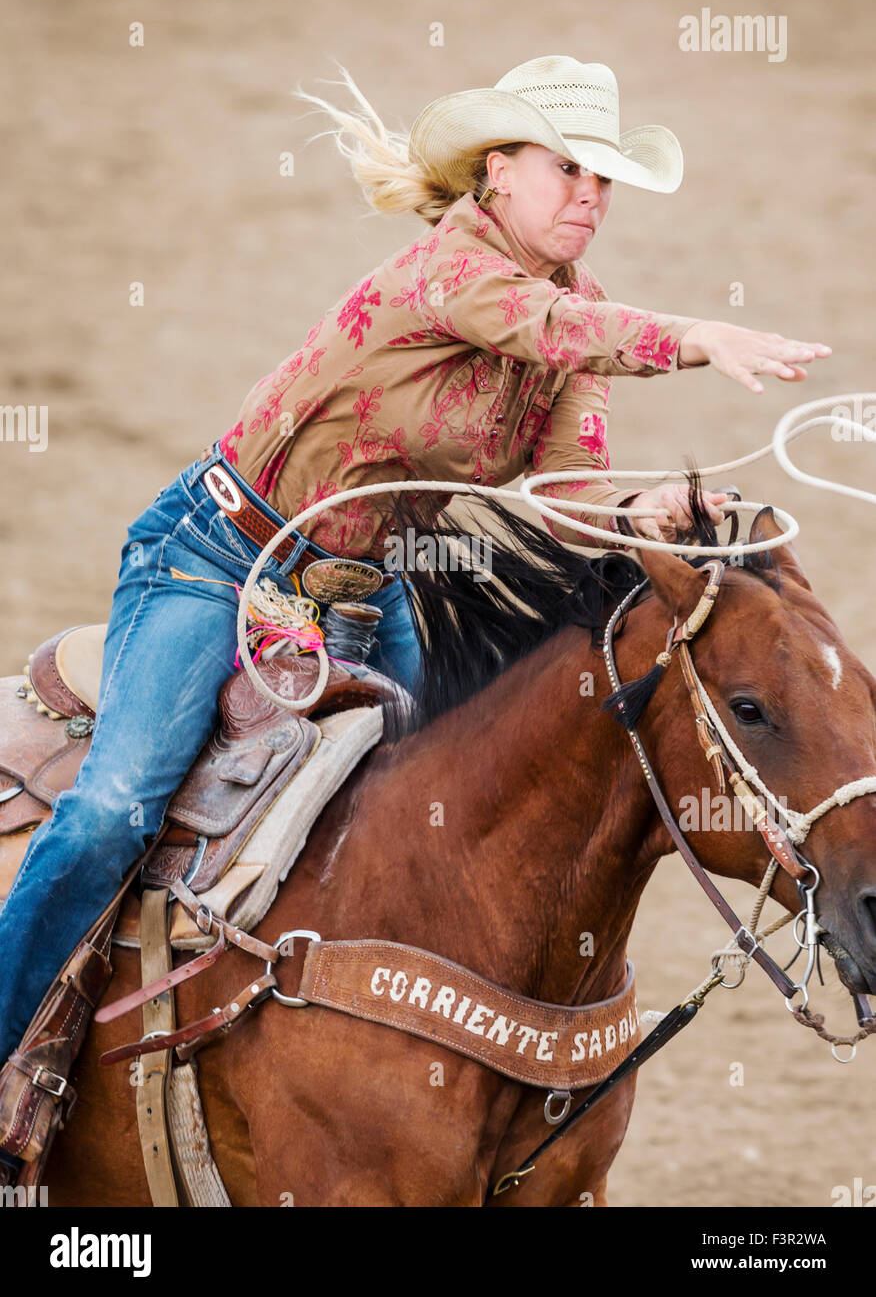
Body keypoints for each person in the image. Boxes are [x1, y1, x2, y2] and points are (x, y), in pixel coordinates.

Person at [0, 53, 830, 1070]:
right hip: (215, 558)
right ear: (494, 172)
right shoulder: (451, 269)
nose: (590, 195)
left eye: (604, 178)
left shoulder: (578, 313)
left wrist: (645, 508)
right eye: (567, 167)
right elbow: (555, 326)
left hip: (364, 592)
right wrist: (697, 334)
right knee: (112, 809)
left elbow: (566, 491)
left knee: (440, 823)